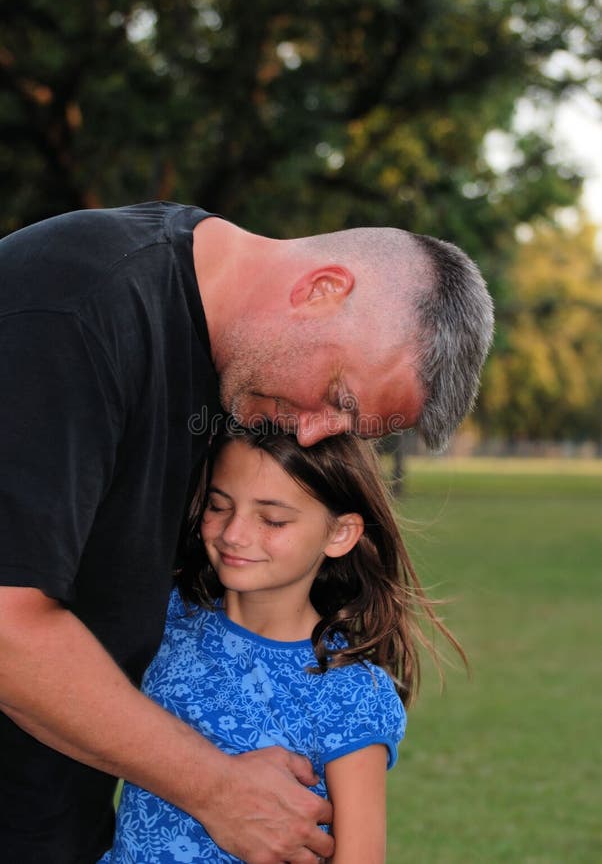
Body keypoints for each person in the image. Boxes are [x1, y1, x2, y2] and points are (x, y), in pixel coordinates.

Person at [0, 201, 493, 864]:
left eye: (349, 432)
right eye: (338, 398)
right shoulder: (75, 309)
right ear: (323, 291)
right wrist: (218, 789)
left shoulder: (230, 377)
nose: (312, 434)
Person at [100, 425, 465, 864]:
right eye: (219, 506)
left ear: (340, 534)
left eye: (272, 519)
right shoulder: (166, 616)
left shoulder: (347, 690)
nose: (234, 533)